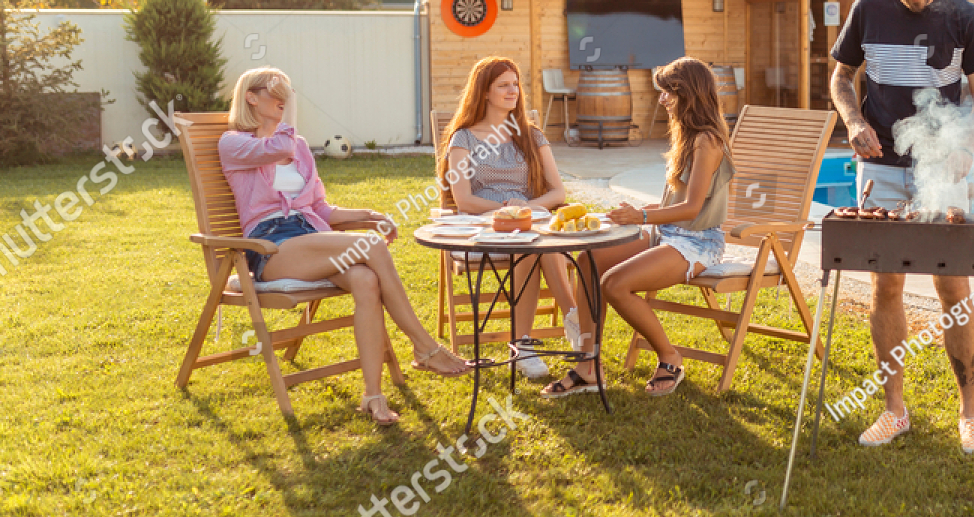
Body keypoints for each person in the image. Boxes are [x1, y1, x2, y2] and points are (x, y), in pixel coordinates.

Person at [828, 0, 974, 454]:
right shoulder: (867, 12)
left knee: (955, 287)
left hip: (940, 165)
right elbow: (840, 78)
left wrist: (965, 145)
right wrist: (853, 120)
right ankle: (893, 410)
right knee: (887, 286)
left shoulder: (964, 17)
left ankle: (970, 416)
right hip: (880, 165)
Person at [219, 67, 469, 427]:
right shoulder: (234, 143)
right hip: (270, 247)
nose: (282, 96)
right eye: (273, 90)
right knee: (371, 247)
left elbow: (319, 208)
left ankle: (373, 395)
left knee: (366, 280)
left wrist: (368, 215)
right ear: (250, 97)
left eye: (286, 90)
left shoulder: (301, 148)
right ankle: (425, 347)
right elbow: (279, 146)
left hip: (310, 238)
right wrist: (289, 106)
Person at [540, 56, 735, 400]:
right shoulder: (686, 135)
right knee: (587, 260)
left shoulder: (708, 140)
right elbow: (679, 202)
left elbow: (692, 209)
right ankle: (587, 365)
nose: (662, 99)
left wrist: (642, 219)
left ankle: (670, 358)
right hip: (670, 232)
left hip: (697, 242)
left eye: (667, 93)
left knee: (614, 284)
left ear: (687, 94)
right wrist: (641, 212)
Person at [439, 57, 580, 380]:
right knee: (533, 246)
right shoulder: (465, 138)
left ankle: (536, 338)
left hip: (530, 224)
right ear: (484, 92)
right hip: (483, 227)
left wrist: (526, 210)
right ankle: (569, 329)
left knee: (536, 242)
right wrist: (507, 213)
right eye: (503, 84)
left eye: (515, 84)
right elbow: (463, 199)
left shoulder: (531, 136)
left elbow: (557, 193)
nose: (512, 90)